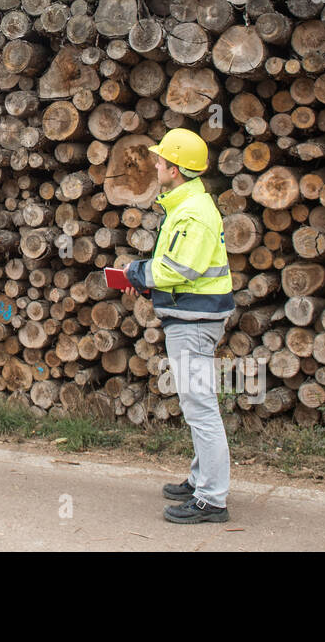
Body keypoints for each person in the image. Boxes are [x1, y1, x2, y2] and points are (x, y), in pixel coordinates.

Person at [122, 128, 236, 524]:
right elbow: (187, 272)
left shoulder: (193, 213)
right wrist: (155, 288)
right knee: (196, 405)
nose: (155, 164)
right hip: (191, 314)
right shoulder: (186, 205)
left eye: (160, 160)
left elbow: (178, 267)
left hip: (195, 322)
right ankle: (200, 478)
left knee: (200, 408)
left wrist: (137, 273)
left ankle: (211, 500)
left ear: (175, 169)